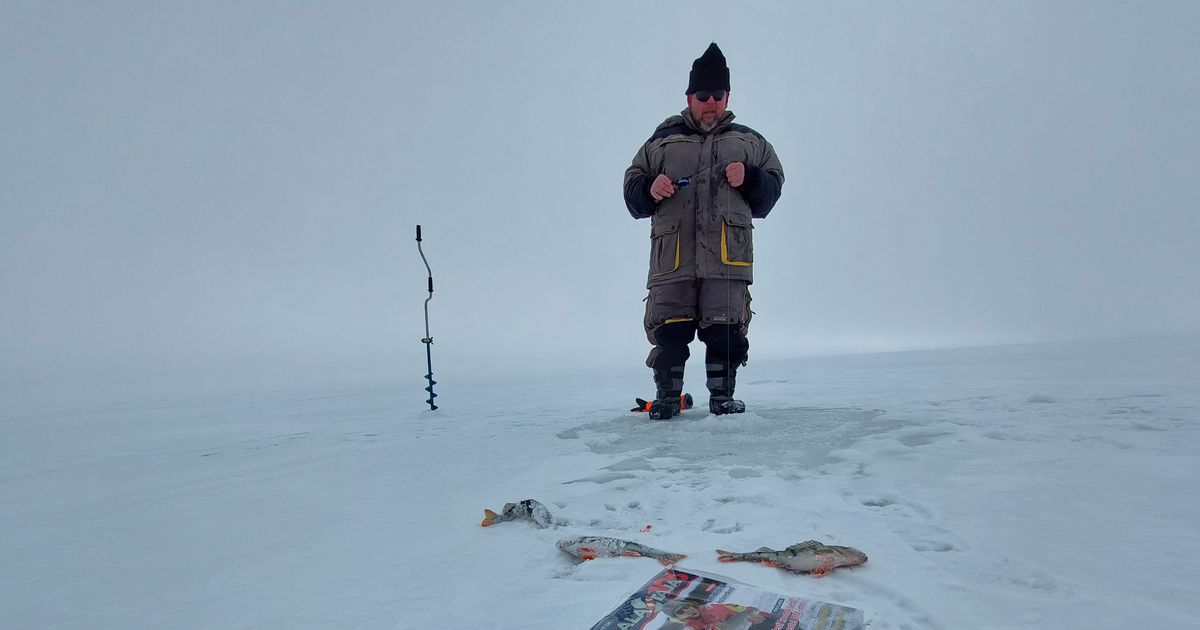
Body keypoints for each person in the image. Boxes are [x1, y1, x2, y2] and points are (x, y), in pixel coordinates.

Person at [623, 43, 784, 420]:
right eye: (702, 95)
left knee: (726, 331)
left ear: (727, 96)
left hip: (727, 257)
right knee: (670, 332)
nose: (710, 102)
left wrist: (752, 178)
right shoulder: (661, 141)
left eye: (717, 94)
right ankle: (667, 395)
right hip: (673, 259)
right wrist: (649, 188)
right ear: (689, 96)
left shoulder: (750, 142)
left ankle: (722, 397)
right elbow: (631, 190)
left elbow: (773, 189)